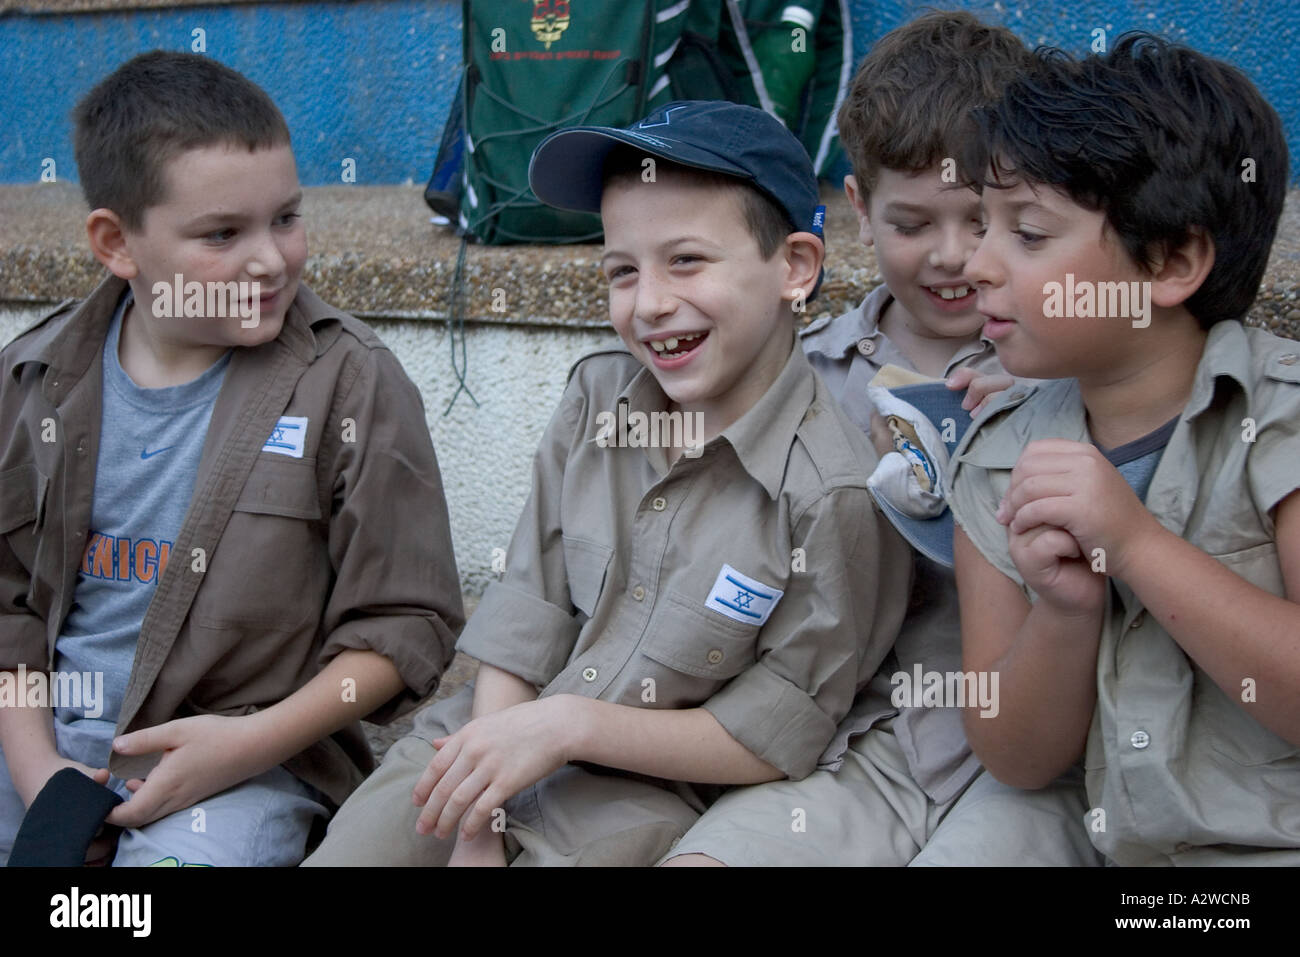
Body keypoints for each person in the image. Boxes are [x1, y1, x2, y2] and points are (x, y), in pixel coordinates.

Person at [303, 99, 911, 866]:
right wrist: (479, 817)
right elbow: (529, 610)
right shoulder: (595, 402)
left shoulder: (833, 493)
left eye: (686, 260)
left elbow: (774, 730)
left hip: (645, 793)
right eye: (622, 271)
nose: (649, 303)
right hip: (482, 736)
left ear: (794, 267)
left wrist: (567, 727)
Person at [0, 51, 464, 866]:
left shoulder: (352, 384)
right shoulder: (36, 377)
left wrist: (240, 749)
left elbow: (406, 626)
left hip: (246, 768)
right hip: (39, 748)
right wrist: (42, 776)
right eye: (223, 233)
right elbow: (9, 609)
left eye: (286, 217)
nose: (270, 259)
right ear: (116, 242)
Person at [662, 11, 1099, 867]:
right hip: (847, 745)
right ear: (857, 207)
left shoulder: (1079, 375)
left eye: (983, 220)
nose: (952, 256)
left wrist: (1059, 398)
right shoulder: (802, 377)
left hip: (1031, 766)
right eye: (911, 224)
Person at [942, 33, 1298, 865]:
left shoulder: (1276, 420)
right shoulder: (1000, 456)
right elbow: (1015, 755)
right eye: (983, 226)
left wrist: (1136, 545)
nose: (976, 262)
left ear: (1170, 261)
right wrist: (1066, 611)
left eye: (1027, 235)